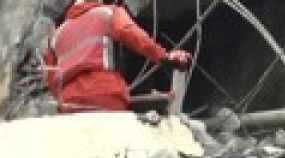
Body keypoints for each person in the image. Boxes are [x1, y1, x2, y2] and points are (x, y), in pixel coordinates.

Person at [44, 0, 192, 114]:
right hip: (104, 91)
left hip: (69, 100)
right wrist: (164, 57)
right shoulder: (108, 13)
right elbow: (135, 37)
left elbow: (51, 78)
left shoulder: (57, 34)